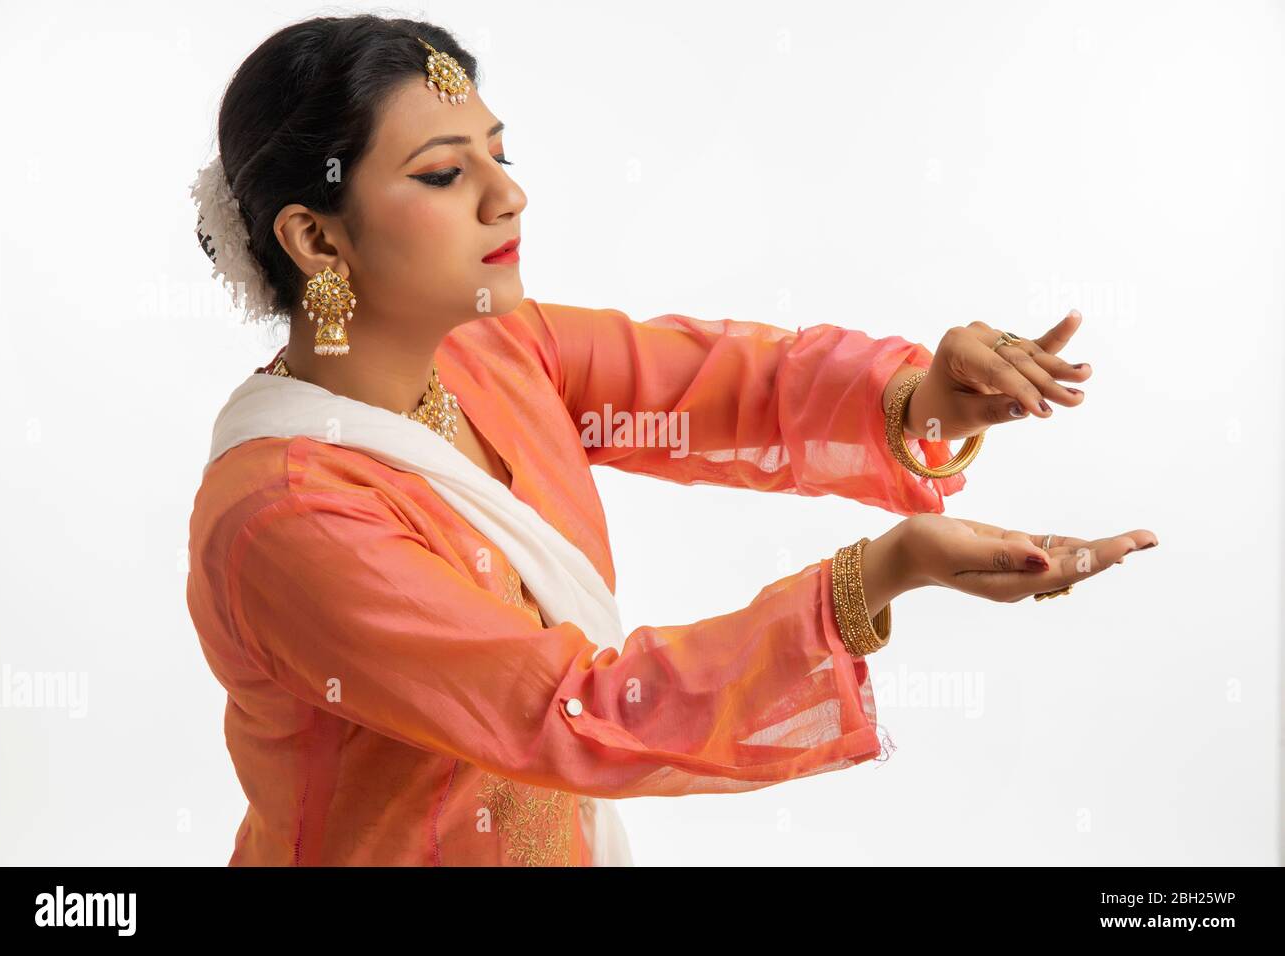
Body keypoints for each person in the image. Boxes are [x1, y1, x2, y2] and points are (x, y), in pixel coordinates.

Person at [185, 14, 1158, 867]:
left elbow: (731, 385)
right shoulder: (289, 518)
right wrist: (881, 572)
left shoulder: (494, 349)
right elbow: (570, 710)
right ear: (317, 240)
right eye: (444, 172)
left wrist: (927, 399)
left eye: (498, 154)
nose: (506, 196)